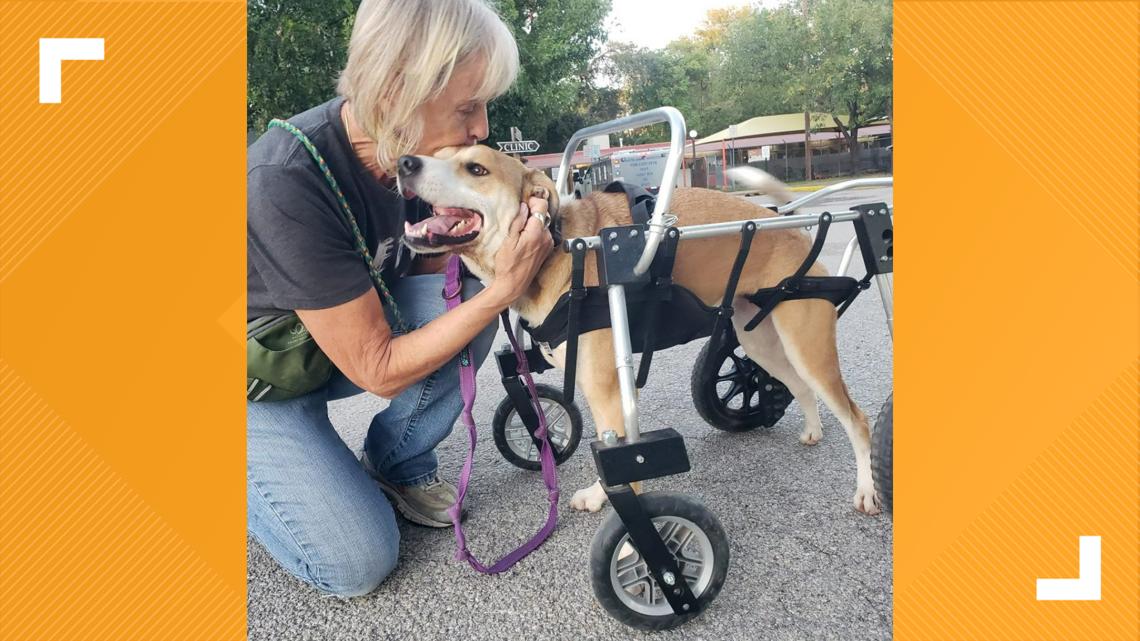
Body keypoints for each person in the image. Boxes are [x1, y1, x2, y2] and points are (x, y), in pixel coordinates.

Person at [246, 0, 552, 597]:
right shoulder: (286, 179)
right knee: (358, 562)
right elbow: (378, 370)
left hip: (328, 344)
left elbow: (441, 269)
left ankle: (396, 466)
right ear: (393, 89)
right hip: (252, 379)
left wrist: (520, 210)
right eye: (467, 107)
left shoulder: (408, 162)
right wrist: (507, 289)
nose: (482, 126)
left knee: (462, 294)